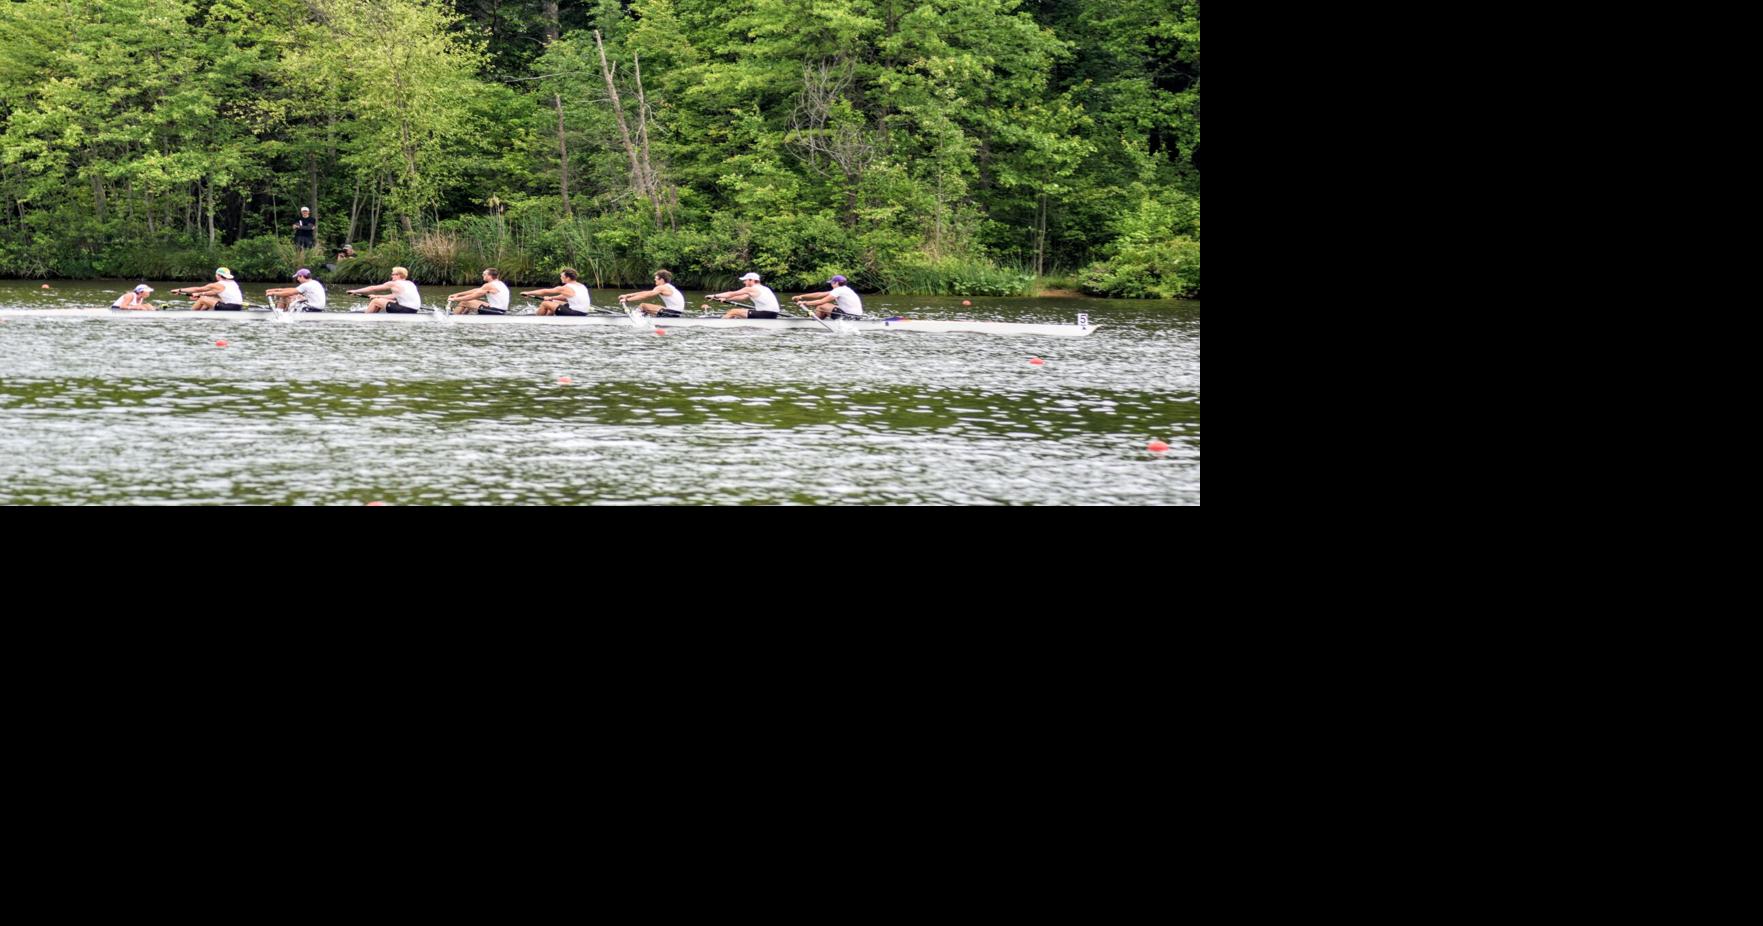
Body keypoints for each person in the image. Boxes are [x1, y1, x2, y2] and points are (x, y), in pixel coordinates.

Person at [347, 267, 423, 314]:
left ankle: (366, 317)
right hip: (414, 310)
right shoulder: (410, 283)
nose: (391, 276)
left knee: (375, 301)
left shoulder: (393, 283)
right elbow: (393, 296)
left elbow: (372, 288)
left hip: (405, 310)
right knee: (384, 300)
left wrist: (355, 291)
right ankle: (373, 312)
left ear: (398, 275)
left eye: (393, 274)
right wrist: (377, 296)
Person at [521, 268, 594, 317]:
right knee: (554, 302)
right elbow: (565, 298)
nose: (560, 278)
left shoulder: (566, 287)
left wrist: (528, 293)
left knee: (545, 303)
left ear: (568, 278)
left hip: (575, 313)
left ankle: (537, 320)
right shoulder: (581, 286)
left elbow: (545, 291)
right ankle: (548, 318)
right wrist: (551, 298)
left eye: (562, 276)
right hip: (584, 312)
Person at [709, 272, 781, 319]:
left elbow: (731, 293)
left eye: (745, 280)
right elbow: (742, 297)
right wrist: (726, 299)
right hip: (773, 314)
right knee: (741, 312)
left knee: (733, 311)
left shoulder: (751, 289)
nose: (744, 282)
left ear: (751, 280)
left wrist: (714, 296)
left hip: (765, 314)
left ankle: (721, 323)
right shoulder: (765, 288)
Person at [618, 270, 688, 317]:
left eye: (656, 278)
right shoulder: (668, 287)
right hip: (675, 312)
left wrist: (627, 300)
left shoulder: (662, 287)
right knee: (655, 307)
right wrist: (627, 295)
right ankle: (641, 317)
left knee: (643, 306)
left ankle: (633, 317)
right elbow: (645, 292)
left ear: (662, 280)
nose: (655, 279)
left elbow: (645, 295)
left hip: (672, 313)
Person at [171, 268, 245, 311]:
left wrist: (179, 290)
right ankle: (202, 313)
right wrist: (199, 295)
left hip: (230, 307)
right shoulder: (233, 283)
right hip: (238, 307)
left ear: (219, 275)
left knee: (202, 299)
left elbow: (198, 289)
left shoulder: (217, 284)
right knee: (208, 299)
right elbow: (213, 293)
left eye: (216, 274)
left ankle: (191, 313)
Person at [794, 274, 865, 318]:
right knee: (828, 306)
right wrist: (801, 296)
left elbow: (821, 301)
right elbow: (819, 294)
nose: (831, 284)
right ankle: (815, 318)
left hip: (850, 317)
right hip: (856, 316)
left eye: (832, 283)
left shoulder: (838, 290)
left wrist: (805, 303)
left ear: (836, 283)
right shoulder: (845, 289)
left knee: (821, 306)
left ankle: (812, 322)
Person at [447, 268, 512, 315]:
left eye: (484, 274)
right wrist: (458, 294)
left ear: (489, 276)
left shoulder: (489, 285)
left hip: (495, 311)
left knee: (464, 302)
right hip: (502, 310)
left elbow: (472, 296)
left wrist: (454, 299)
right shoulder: (501, 284)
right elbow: (477, 290)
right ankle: (463, 316)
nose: (482, 275)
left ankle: (454, 317)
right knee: (471, 302)